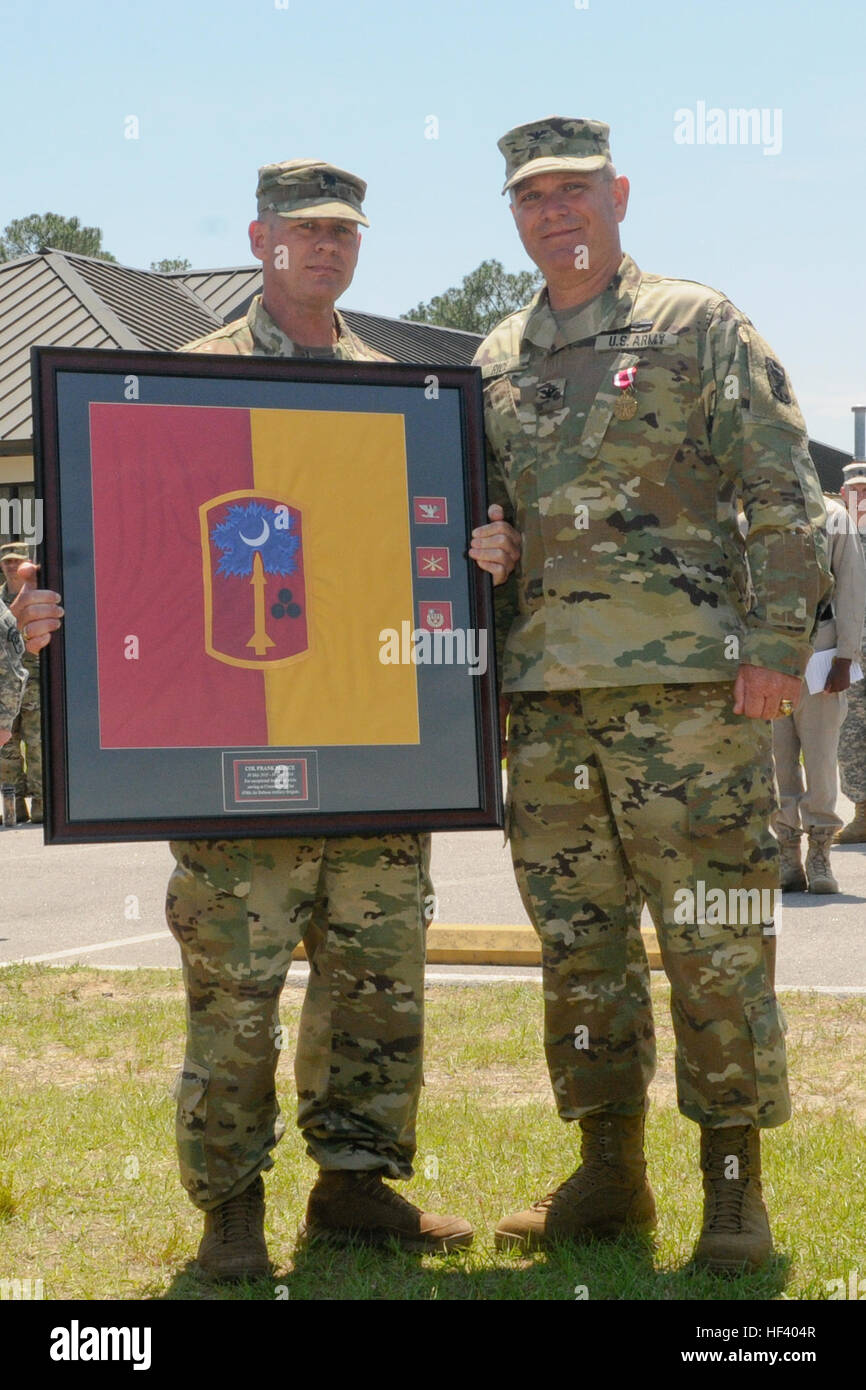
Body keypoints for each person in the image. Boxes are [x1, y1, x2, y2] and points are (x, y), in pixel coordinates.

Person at [474, 117, 831, 1272]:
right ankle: (607, 1173)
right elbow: (471, 517)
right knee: (580, 952)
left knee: (714, 941)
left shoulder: (694, 324)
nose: (553, 213)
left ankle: (732, 1193)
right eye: (531, 199)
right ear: (514, 216)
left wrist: (775, 646)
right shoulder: (492, 359)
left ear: (617, 193)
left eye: (572, 191)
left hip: (690, 698)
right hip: (546, 706)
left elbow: (780, 488)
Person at [166, 158, 520, 1280]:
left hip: (377, 750)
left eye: (344, 232)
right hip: (241, 747)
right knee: (236, 994)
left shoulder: (407, 395)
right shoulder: (178, 380)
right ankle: (230, 1212)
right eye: (307, 229)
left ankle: (354, 1188)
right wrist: (50, 601)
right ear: (259, 235)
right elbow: (141, 557)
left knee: (376, 980)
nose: (327, 247)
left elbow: (436, 554)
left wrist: (485, 558)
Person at [773, 494, 865, 892]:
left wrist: (846, 656)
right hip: (766, 660)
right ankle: (787, 855)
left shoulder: (834, 517)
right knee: (775, 763)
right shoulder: (747, 521)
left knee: (823, 759)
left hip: (821, 657)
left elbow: (850, 588)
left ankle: (820, 854)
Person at [0, 543, 44, 823]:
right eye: (7, 562)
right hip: (5, 685)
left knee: (37, 743)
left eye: (17, 562)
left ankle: (41, 802)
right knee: (7, 746)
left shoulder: (42, 598)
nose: (12, 566)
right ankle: (13, 802)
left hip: (37, 684)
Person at [835, 466, 866, 843]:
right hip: (848, 651)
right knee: (850, 732)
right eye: (856, 491)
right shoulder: (833, 531)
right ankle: (862, 811)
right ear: (844, 493)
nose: (862, 497)